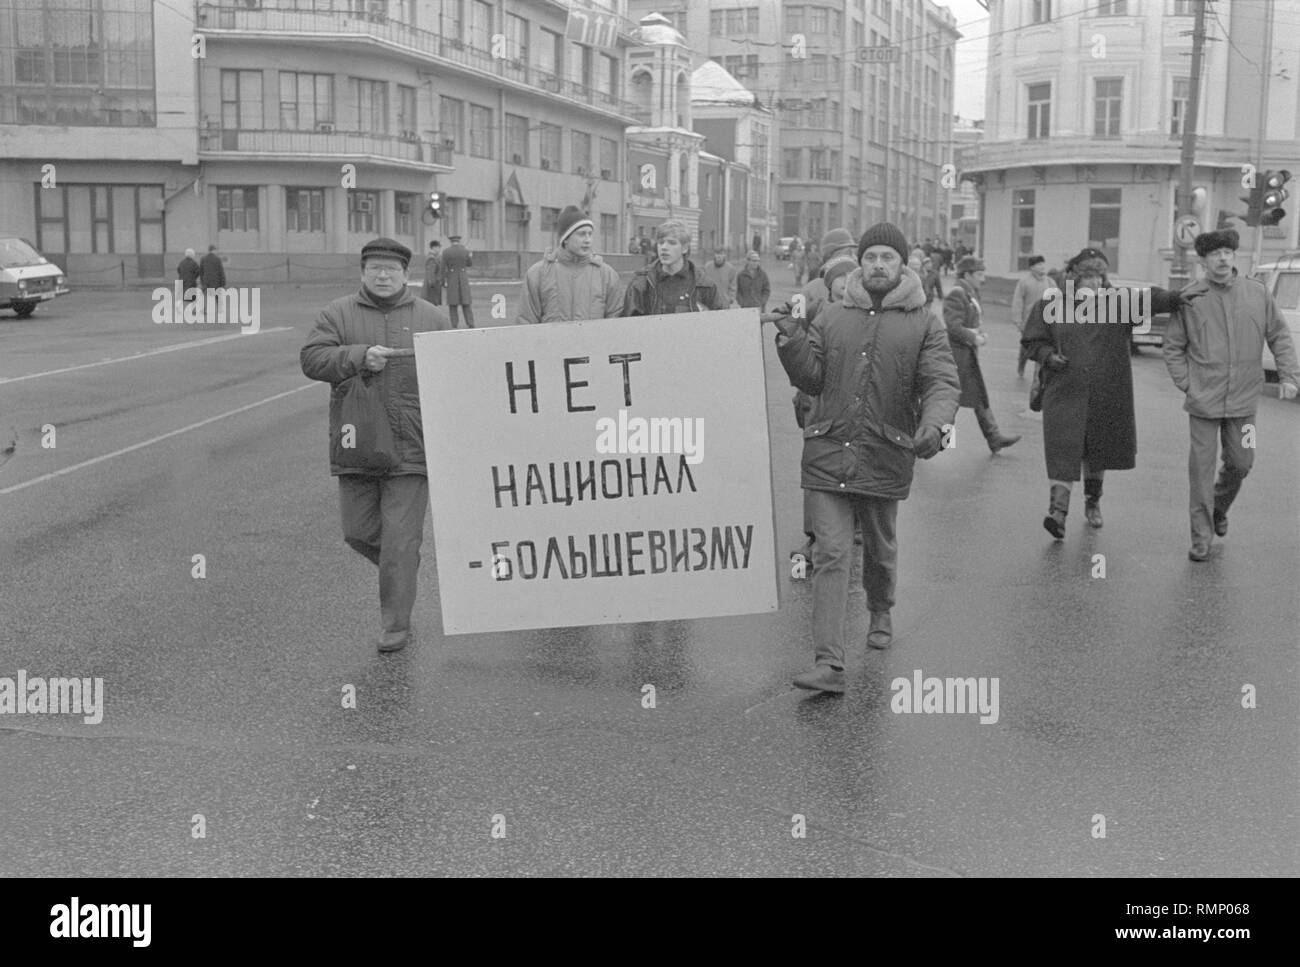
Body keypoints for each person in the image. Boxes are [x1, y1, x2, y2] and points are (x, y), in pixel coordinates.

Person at [775, 223, 960, 693]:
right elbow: (812, 379)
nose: (878, 264)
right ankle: (828, 663)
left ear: (903, 265)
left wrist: (936, 426)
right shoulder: (834, 315)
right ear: (861, 262)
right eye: (871, 256)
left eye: (888, 257)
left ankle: (880, 609)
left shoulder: (924, 321)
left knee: (879, 549)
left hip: (886, 449)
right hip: (828, 448)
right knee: (832, 552)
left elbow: (941, 381)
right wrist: (791, 339)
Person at [299, 238, 453, 652]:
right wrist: (357, 356)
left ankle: (395, 625)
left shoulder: (433, 318)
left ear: (407, 274)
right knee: (358, 532)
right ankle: (400, 568)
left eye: (391, 269)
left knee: (401, 540)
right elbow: (312, 359)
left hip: (412, 444)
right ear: (363, 273)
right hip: (358, 439)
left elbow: (458, 372)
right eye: (375, 269)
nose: (383, 276)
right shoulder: (338, 313)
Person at [1022, 247, 1190, 538]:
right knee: (1063, 448)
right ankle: (1058, 513)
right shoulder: (1052, 305)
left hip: (1105, 391)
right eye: (1089, 277)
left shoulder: (1118, 304)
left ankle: (1092, 504)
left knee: (1096, 450)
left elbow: (1150, 299)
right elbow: (1032, 342)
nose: (1096, 283)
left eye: (1100, 277)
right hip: (1064, 391)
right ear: (1074, 278)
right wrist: (1048, 356)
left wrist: (1177, 297)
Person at [1163, 228, 1300, 561]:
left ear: (1233, 255)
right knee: (1201, 472)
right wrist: (1188, 384)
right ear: (1204, 260)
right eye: (1215, 254)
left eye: (1227, 252)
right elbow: (1173, 347)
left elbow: (1279, 335)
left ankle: (1219, 507)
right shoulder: (1190, 297)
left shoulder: (1256, 293)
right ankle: (1201, 537)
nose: (1222, 259)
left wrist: (1289, 375)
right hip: (1203, 404)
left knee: (1243, 462)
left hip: (1245, 404)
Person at [943, 255, 1021, 455]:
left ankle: (993, 437)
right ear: (967, 274)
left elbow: (972, 321)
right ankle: (939, 441)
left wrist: (979, 332)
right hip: (956, 356)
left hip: (967, 355)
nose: (983, 278)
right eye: (979, 274)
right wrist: (973, 337)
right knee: (950, 399)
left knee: (978, 396)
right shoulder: (957, 293)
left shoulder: (970, 292)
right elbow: (953, 326)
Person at [516, 205, 624, 324]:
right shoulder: (538, 274)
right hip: (551, 342)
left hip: (593, 342)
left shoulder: (607, 276)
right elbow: (526, 321)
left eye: (590, 234)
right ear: (565, 239)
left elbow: (616, 323)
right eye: (581, 234)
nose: (587, 240)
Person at [622, 219, 730, 315]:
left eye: (672, 243)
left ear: (685, 248)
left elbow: (721, 324)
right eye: (661, 242)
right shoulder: (641, 284)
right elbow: (630, 328)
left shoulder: (704, 285)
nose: (664, 247)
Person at [1011, 255, 1053, 377]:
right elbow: (1018, 301)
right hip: (1029, 321)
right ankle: (1021, 364)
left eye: (1043, 264)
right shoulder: (1024, 282)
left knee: (1043, 347)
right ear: (1032, 267)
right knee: (1025, 347)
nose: (1042, 267)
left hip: (1045, 321)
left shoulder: (1049, 282)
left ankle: (1038, 374)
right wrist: (1018, 321)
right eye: (1039, 264)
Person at [442, 234, 474, 328]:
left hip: (451, 279)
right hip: (463, 279)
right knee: (466, 302)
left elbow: (443, 268)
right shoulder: (465, 250)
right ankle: (470, 323)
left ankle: (454, 324)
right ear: (459, 241)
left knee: (453, 304)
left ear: (451, 241)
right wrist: (470, 256)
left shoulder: (446, 252)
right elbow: (469, 264)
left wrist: (443, 281)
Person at [421, 240, 443, 306]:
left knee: (432, 305)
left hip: (433, 285)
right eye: (439, 247)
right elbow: (431, 273)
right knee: (431, 305)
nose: (439, 249)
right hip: (432, 287)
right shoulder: (432, 258)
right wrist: (433, 285)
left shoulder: (434, 257)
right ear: (434, 247)